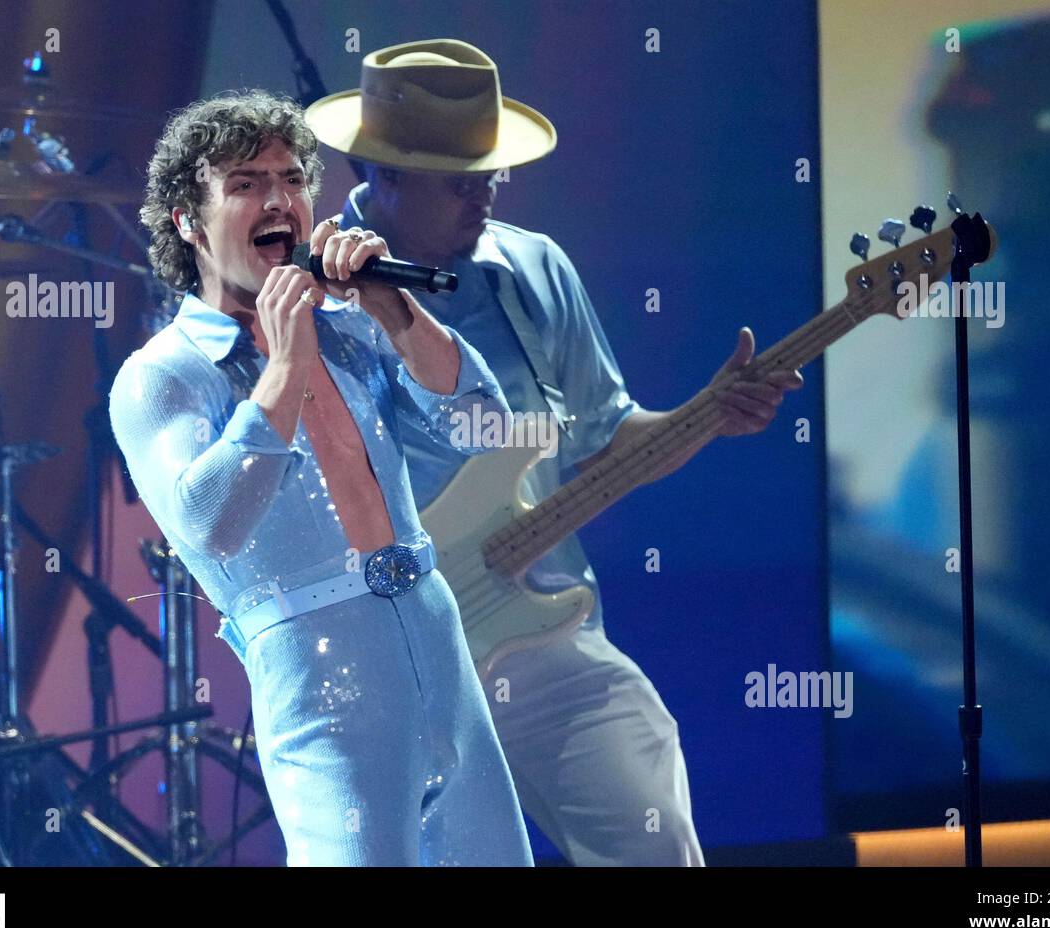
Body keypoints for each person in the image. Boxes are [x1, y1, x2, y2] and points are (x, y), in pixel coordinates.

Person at [307, 40, 803, 866]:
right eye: (461, 181)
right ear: (381, 174)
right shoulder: (307, 291)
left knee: (654, 839)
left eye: (491, 175)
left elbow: (609, 440)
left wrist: (710, 415)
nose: (485, 196)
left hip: (543, 635)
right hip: (389, 659)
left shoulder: (533, 266)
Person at [110, 89, 533, 866]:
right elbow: (210, 525)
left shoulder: (352, 328)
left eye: (292, 179)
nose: (279, 199)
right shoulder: (161, 376)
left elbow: (487, 425)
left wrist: (393, 308)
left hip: (440, 648)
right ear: (187, 222)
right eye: (245, 184)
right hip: (323, 681)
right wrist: (284, 362)